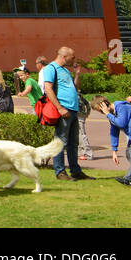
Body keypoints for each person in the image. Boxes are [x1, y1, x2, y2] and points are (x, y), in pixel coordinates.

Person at [41, 46, 89, 181]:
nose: (74, 59)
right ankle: (60, 172)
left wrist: (77, 74)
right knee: (60, 141)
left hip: (73, 110)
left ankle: (75, 171)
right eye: (72, 57)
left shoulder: (66, 70)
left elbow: (75, 87)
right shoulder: (51, 68)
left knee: (73, 143)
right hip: (64, 110)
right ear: (64, 56)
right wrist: (60, 108)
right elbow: (48, 89)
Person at [91, 95, 131, 187]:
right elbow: (114, 131)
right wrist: (114, 150)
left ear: (105, 104)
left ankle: (130, 179)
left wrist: (107, 113)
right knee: (130, 155)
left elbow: (121, 123)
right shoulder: (111, 114)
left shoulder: (121, 107)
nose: (102, 113)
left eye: (101, 110)